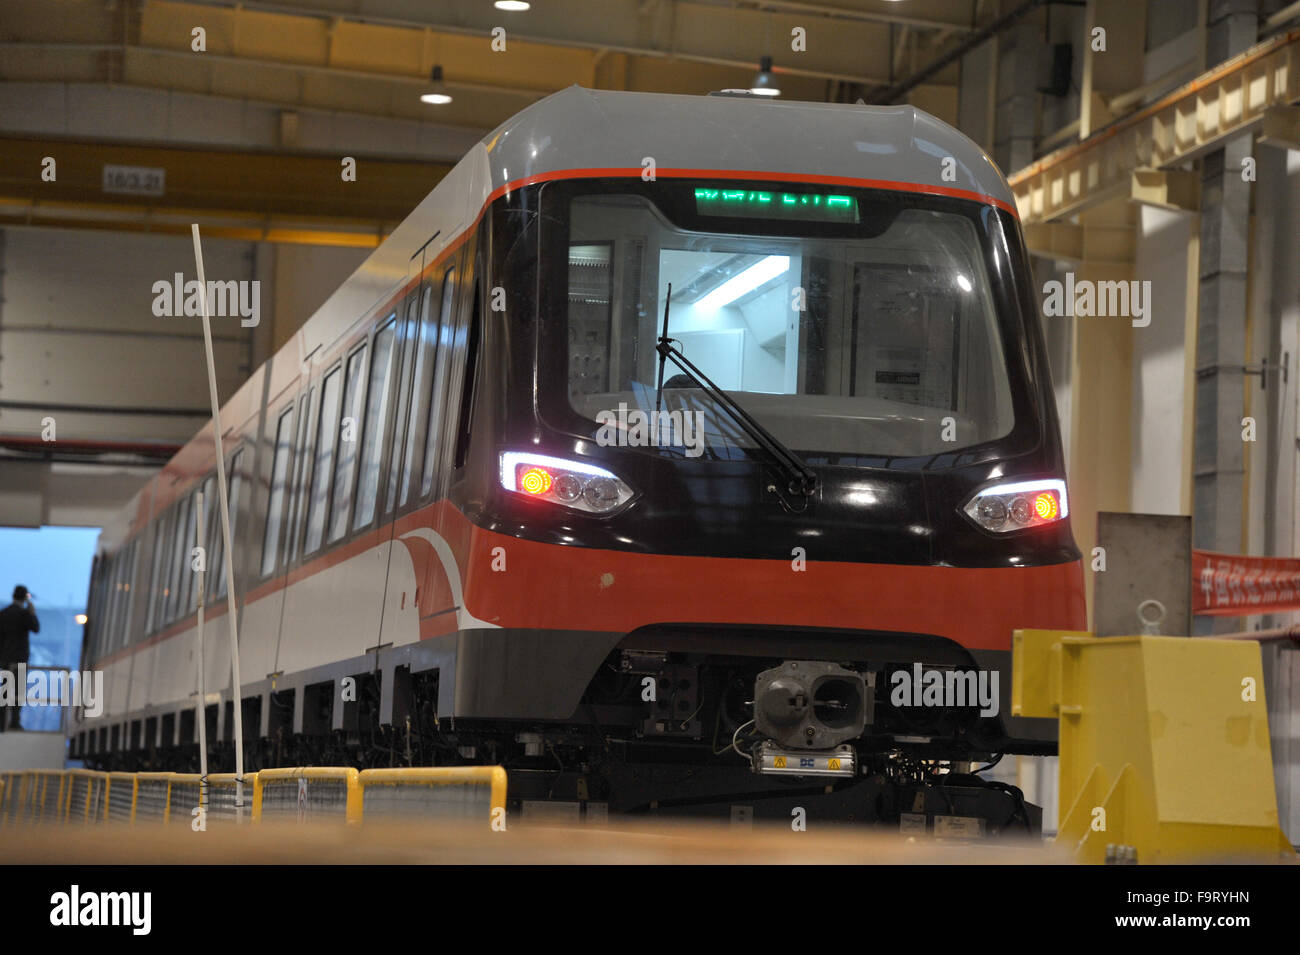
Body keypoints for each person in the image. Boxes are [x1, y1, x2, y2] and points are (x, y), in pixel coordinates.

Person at [0, 585, 39, 731]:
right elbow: (36, 628)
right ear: (24, 598)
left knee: (5, 691)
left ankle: (1, 723)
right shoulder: (25, 614)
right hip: (20, 659)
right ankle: (14, 722)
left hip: (5, 659)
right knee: (18, 691)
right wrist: (32, 612)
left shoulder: (3, 613)